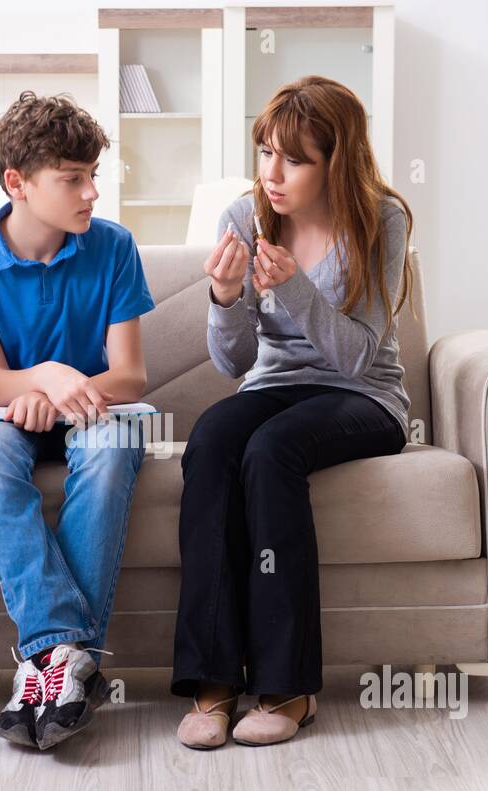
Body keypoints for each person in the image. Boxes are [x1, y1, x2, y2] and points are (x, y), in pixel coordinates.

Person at [173, 75, 415, 749]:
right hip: (272, 388)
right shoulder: (243, 218)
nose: (271, 174)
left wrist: (297, 288)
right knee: (215, 438)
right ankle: (213, 681)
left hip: (364, 398)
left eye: (294, 159)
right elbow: (233, 364)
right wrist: (225, 298)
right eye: (264, 152)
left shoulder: (381, 219)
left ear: (336, 162)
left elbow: (360, 360)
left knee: (270, 449)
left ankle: (288, 687)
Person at [0, 92, 153, 750]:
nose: (91, 192)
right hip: (4, 410)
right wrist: (41, 380)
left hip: (96, 406)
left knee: (111, 451)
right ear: (17, 184)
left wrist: (59, 386)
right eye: (72, 179)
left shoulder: (113, 247)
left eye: (94, 176)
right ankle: (70, 654)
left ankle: (45, 667)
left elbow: (132, 375)